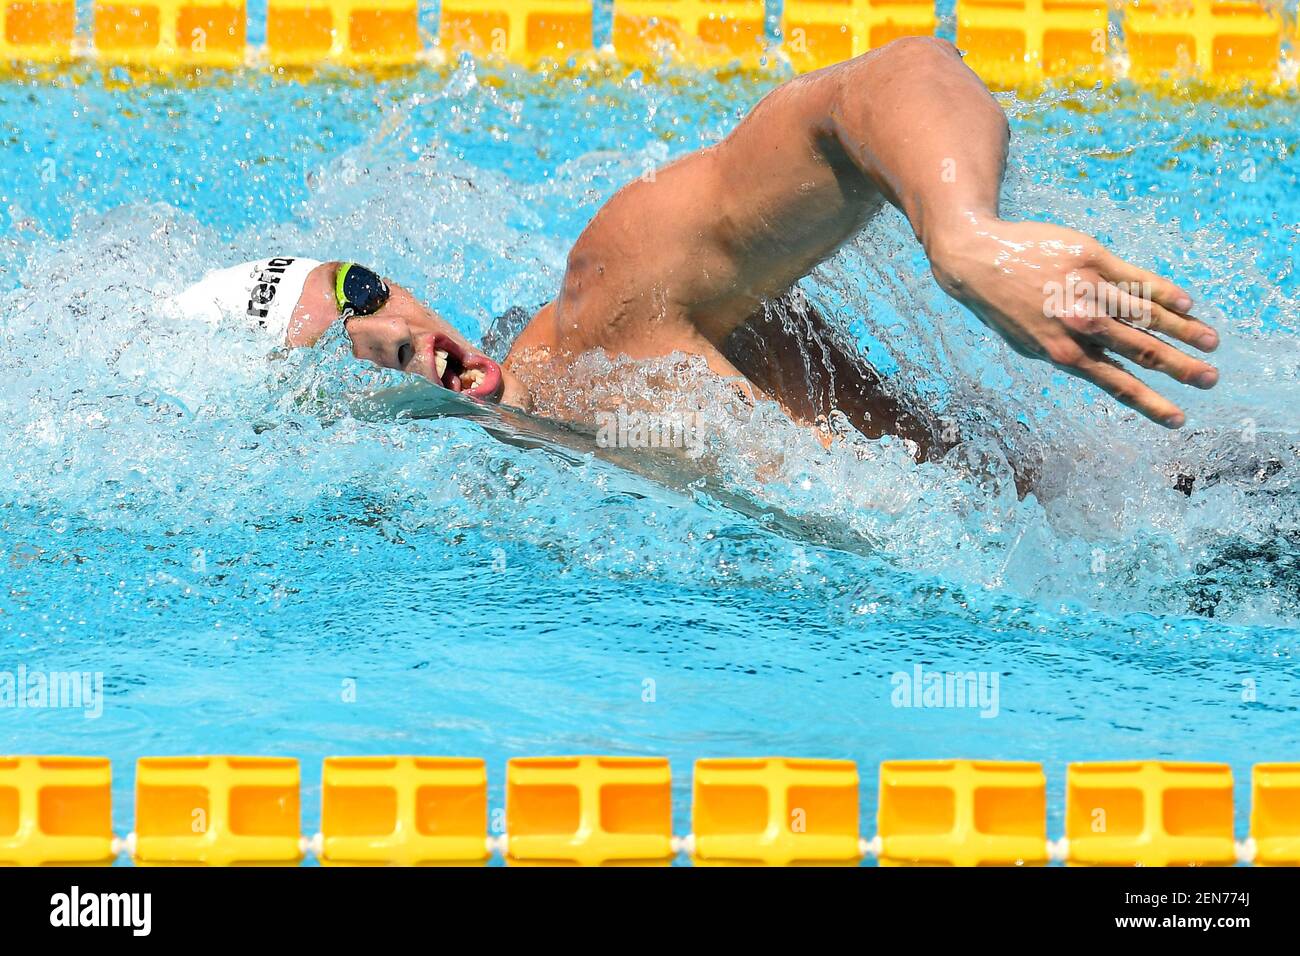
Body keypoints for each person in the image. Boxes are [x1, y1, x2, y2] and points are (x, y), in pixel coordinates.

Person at [170, 37, 1220, 464]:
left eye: (359, 288)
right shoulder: (516, 462)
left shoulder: (604, 310)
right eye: (331, 345)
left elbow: (877, 85)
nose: (384, 330)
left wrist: (963, 232)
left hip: (1208, 532)